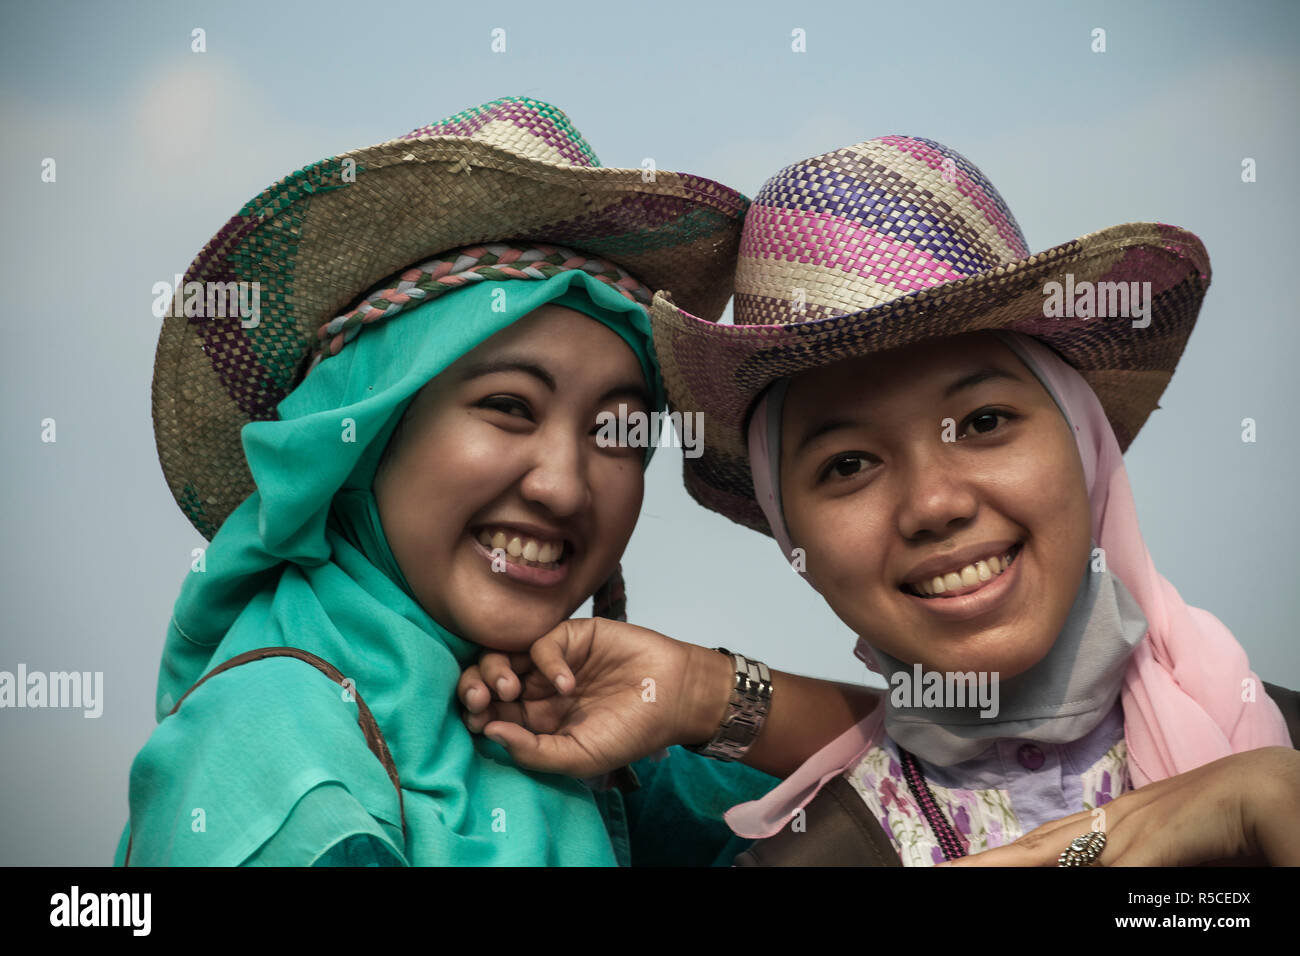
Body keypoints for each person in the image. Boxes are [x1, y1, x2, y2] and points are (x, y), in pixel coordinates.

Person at [459, 134, 1300, 866]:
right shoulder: (800, 855)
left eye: (983, 420)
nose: (933, 502)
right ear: (796, 539)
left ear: (1083, 448)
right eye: (849, 464)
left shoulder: (1281, 764)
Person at [115, 96, 881, 867]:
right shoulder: (280, 756)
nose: (565, 487)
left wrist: (700, 691)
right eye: (510, 407)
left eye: (615, 430)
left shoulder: (570, 741)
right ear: (368, 436)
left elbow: (954, 787)